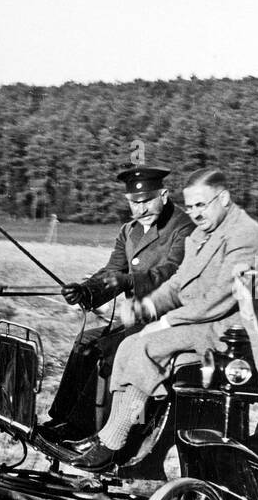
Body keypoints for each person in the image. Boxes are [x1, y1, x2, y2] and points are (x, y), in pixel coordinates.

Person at [51, 167, 258, 471]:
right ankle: (105, 436)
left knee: (144, 346)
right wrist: (146, 308)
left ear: (223, 199)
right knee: (131, 344)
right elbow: (177, 283)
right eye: (192, 206)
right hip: (206, 323)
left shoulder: (245, 237)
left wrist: (166, 322)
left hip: (233, 332)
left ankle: (113, 443)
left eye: (202, 205)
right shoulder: (204, 233)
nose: (195, 213)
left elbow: (218, 300)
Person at [34, 166, 193, 450]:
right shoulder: (129, 231)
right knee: (86, 342)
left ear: (165, 195)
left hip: (169, 319)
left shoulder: (183, 228)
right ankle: (62, 420)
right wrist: (85, 291)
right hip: (138, 320)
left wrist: (128, 280)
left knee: (112, 351)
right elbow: (111, 270)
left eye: (146, 201)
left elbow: (172, 272)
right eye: (134, 202)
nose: (140, 209)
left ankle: (90, 431)